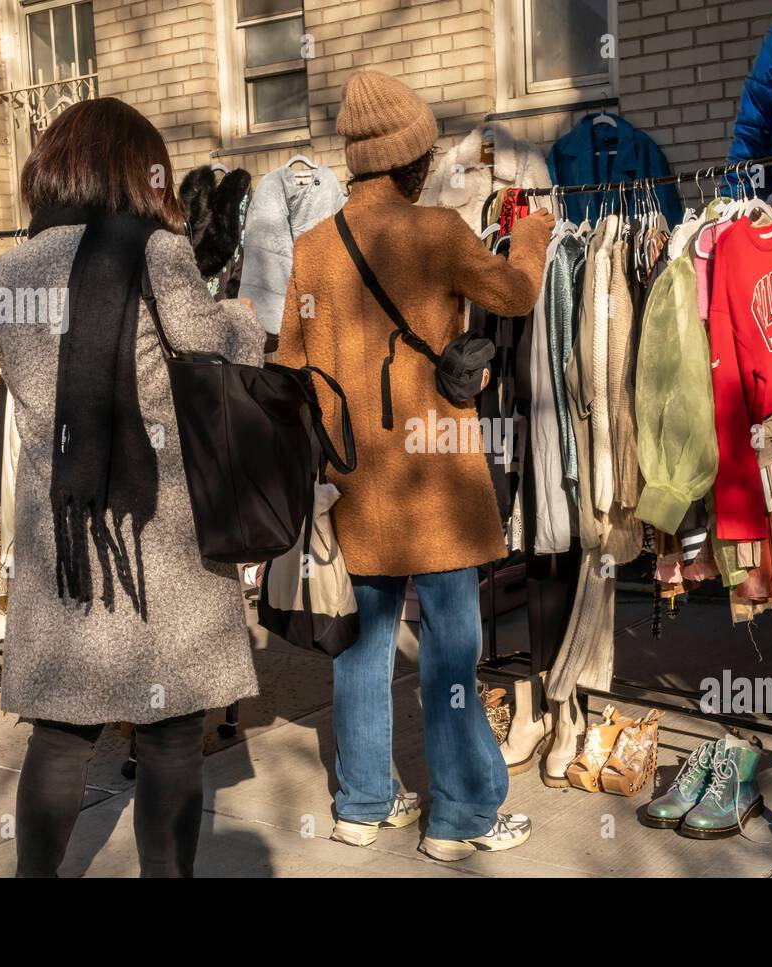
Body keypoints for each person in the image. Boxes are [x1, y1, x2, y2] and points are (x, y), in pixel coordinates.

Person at [275, 70, 553, 862]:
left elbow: (290, 366)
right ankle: (462, 813)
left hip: (353, 485)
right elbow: (518, 293)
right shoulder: (434, 230)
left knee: (362, 650)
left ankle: (363, 803)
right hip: (436, 488)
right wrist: (530, 230)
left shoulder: (310, 248)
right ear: (413, 157)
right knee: (451, 654)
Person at [0, 98, 266, 877]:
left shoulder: (4, 272)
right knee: (172, 730)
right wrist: (245, 315)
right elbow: (212, 342)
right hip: (157, 531)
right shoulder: (155, 251)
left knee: (59, 731)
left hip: (63, 532)